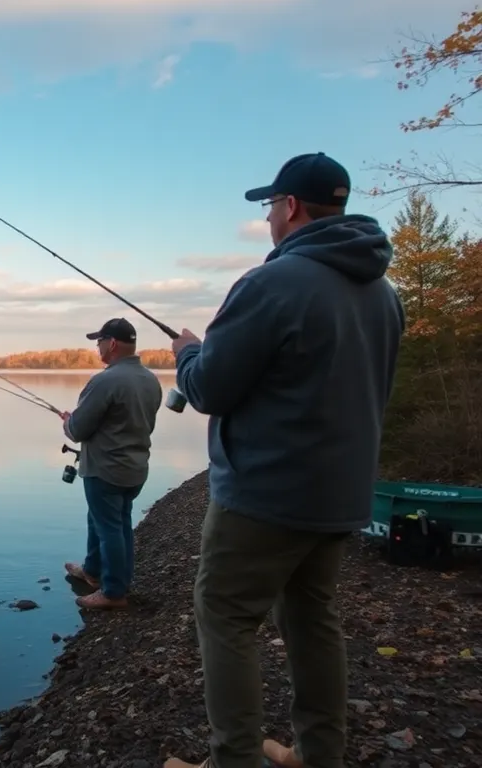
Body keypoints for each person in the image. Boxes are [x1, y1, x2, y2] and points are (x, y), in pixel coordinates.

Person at [163, 153, 406, 768]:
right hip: (342, 492)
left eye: (270, 205)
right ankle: (321, 754)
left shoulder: (271, 282)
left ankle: (232, 759)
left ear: (290, 207)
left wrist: (190, 354)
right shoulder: (385, 293)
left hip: (266, 496)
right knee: (313, 618)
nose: (270, 217)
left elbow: (211, 389)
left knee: (225, 616)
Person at [59, 316, 163, 611]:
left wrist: (68, 421)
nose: (98, 347)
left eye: (100, 342)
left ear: (112, 343)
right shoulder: (150, 379)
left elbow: (78, 430)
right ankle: (92, 571)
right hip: (135, 468)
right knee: (111, 520)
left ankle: (114, 591)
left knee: (110, 528)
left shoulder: (105, 381)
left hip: (105, 471)